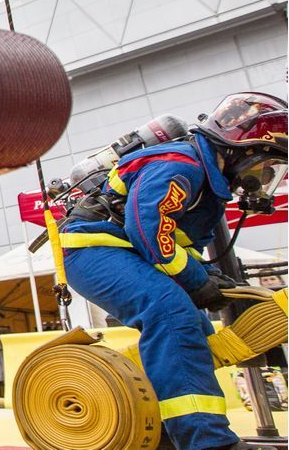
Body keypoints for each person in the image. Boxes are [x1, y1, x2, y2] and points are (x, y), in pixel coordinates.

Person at [60, 92, 288, 450]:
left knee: (194, 328)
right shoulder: (180, 164)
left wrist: (206, 277)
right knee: (171, 313)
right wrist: (197, 281)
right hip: (92, 249)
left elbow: (173, 242)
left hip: (125, 251)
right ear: (243, 150)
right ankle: (206, 441)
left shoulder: (206, 183)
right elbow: (149, 230)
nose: (263, 180)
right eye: (267, 167)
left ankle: (164, 427)